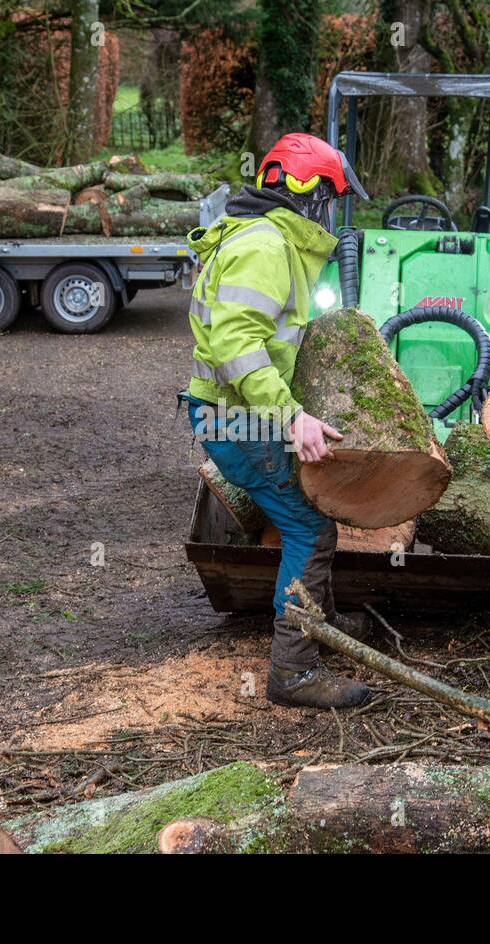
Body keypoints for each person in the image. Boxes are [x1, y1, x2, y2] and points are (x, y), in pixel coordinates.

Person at [181, 133, 373, 709]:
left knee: (310, 515)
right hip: (236, 418)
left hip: (239, 411)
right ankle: (293, 670)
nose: (333, 212)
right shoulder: (265, 245)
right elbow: (237, 344)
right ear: (308, 193)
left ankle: (322, 626)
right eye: (331, 198)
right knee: (310, 530)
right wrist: (291, 419)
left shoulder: (267, 237)